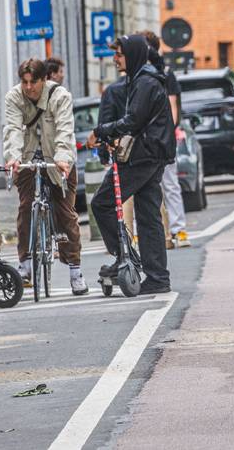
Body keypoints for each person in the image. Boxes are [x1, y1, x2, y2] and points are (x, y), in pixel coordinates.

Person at [87, 35, 177, 295]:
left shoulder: (145, 82)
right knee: (148, 216)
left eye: (119, 54)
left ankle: (126, 258)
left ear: (133, 55)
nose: (115, 59)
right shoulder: (143, 79)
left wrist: (100, 131)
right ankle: (158, 277)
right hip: (153, 153)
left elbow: (133, 120)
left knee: (101, 203)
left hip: (143, 155)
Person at [3, 59, 86, 295]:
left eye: (33, 82)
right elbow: (12, 130)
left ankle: (75, 271)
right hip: (28, 156)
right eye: (24, 82)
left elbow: (64, 130)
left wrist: (62, 158)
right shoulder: (14, 97)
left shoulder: (60, 96)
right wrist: (13, 158)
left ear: (43, 79)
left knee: (65, 211)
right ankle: (25, 264)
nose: (28, 87)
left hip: (57, 157)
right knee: (26, 206)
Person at [140, 31, 189, 249]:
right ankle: (150, 232)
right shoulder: (137, 75)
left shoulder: (166, 75)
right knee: (147, 186)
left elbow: (173, 107)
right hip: (144, 139)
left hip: (163, 138)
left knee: (169, 184)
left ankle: (179, 229)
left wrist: (168, 132)